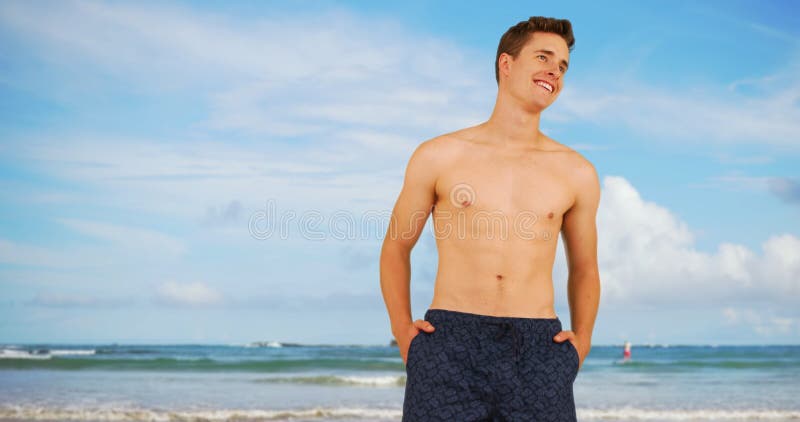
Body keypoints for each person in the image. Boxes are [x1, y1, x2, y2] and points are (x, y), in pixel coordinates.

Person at [380, 16, 601, 421]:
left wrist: (580, 344)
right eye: (543, 57)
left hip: (539, 347)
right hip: (450, 343)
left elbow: (585, 267)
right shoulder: (439, 155)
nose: (555, 70)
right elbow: (396, 246)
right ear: (506, 64)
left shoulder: (577, 172)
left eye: (563, 65)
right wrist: (402, 331)